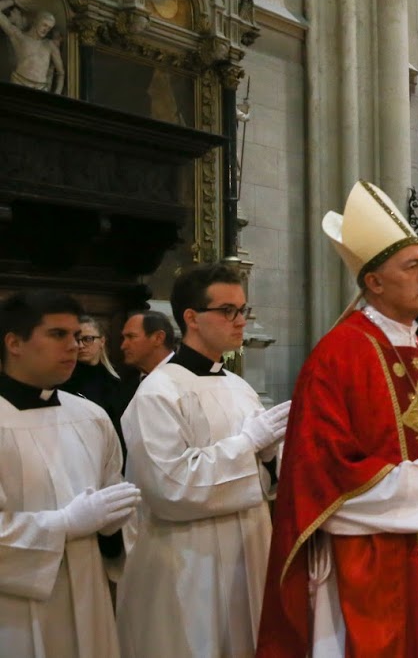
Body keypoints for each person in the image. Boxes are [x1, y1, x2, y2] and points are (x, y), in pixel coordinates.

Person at [257, 180, 418, 657]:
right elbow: (320, 481)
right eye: (412, 265)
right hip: (379, 571)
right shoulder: (338, 356)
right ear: (374, 282)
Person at [117, 263, 290, 658]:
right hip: (189, 564)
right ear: (192, 318)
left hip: (247, 554)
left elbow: (268, 477)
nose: (241, 321)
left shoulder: (240, 387)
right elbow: (170, 488)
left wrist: (269, 458)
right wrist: (248, 445)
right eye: (228, 311)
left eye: (243, 310)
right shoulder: (158, 393)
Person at [0, 290, 141, 658]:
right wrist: (63, 524)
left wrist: (113, 529)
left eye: (77, 336)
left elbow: (113, 500)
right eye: (57, 334)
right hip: (14, 612)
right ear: (14, 343)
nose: (74, 346)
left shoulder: (90, 417)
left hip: (89, 594)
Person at [59, 314, 131, 445]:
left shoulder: (115, 382)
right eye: (76, 340)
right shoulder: (63, 381)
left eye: (87, 339)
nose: (81, 345)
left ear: (102, 341)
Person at [0, 0, 64, 92]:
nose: (46, 30)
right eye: (44, 25)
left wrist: (57, 93)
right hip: (19, 83)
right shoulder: (19, 37)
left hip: (41, 89)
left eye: (49, 28)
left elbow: (61, 73)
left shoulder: (50, 45)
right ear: (36, 21)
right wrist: (14, 1)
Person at [119, 309, 177, 377]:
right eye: (123, 338)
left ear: (158, 338)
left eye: (131, 336)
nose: (123, 346)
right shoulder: (127, 378)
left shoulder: (184, 374)